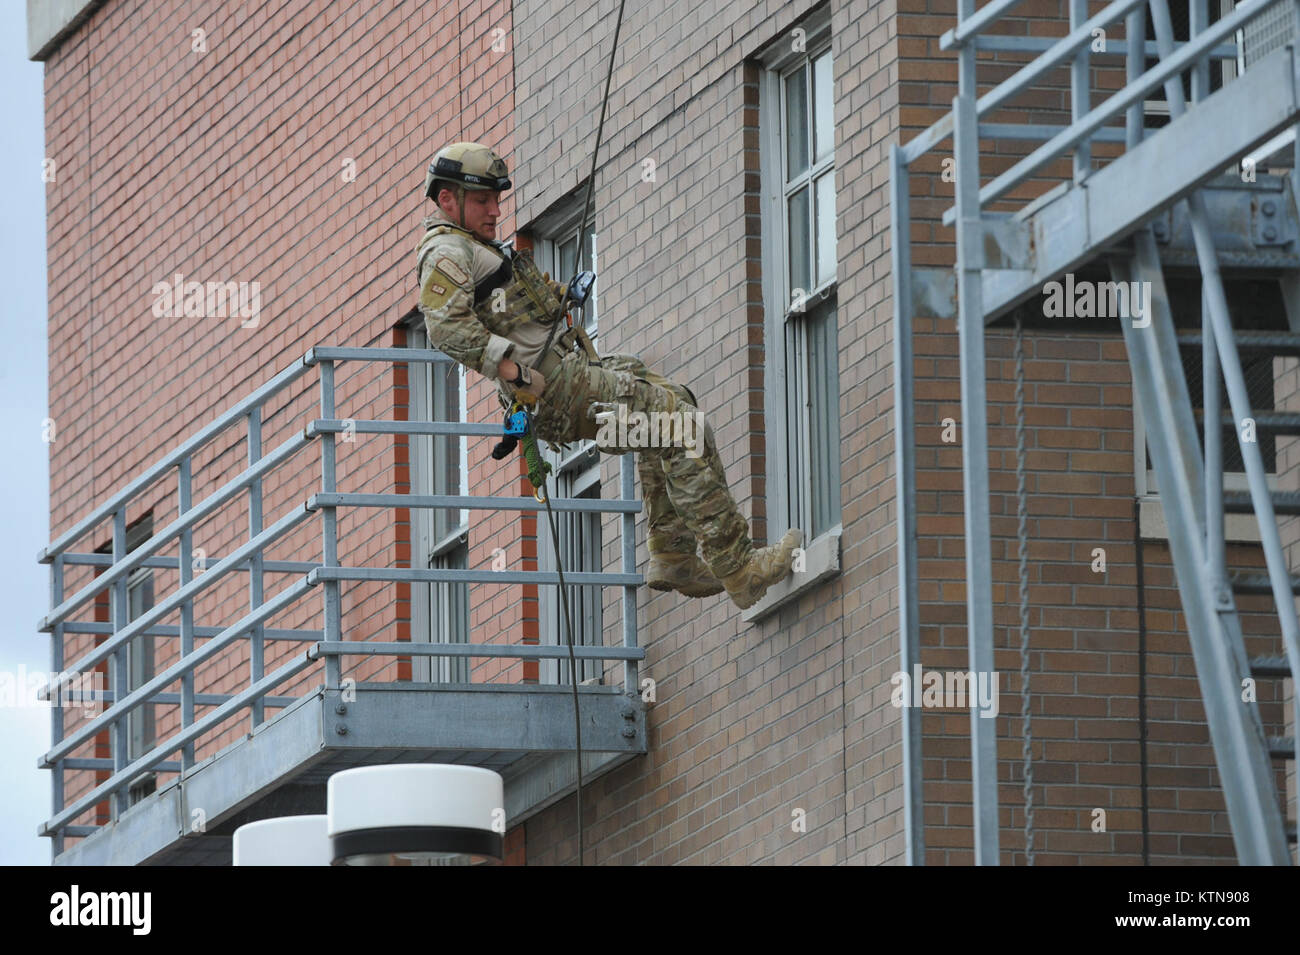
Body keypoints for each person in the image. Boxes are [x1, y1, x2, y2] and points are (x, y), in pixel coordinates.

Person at [413, 141, 802, 610]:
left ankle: (674, 554)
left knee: (672, 403)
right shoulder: (447, 251)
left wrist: (559, 296)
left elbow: (510, 309)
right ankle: (739, 569)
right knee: (681, 427)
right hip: (558, 391)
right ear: (447, 199)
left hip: (571, 378)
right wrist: (512, 369)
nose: (495, 209)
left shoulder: (472, 245)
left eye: (497, 198)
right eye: (482, 200)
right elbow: (445, 327)